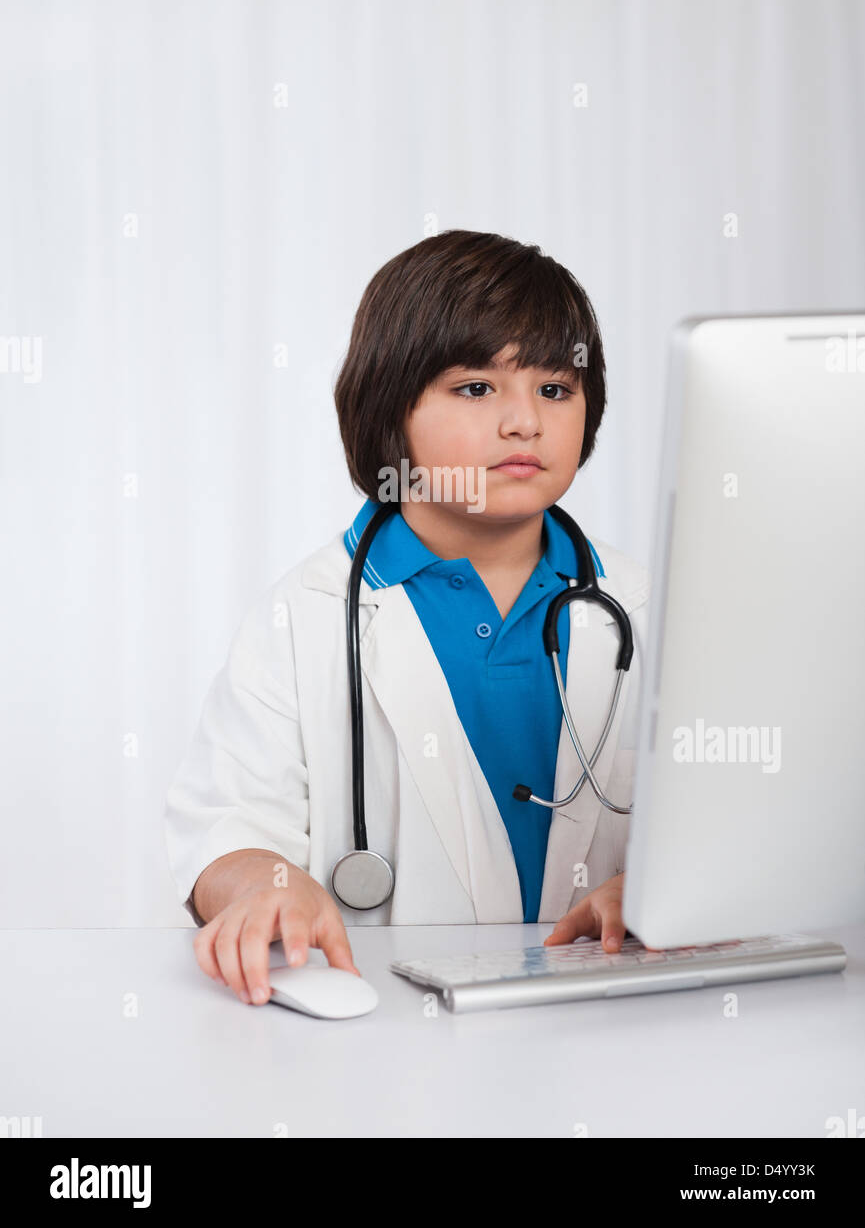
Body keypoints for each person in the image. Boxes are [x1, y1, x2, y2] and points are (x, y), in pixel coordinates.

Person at [163, 229, 649, 1006]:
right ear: (390, 405)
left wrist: (662, 890)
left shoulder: (642, 606)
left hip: (612, 1018)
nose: (525, 421)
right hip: (389, 1033)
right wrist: (261, 888)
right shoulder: (306, 615)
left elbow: (732, 816)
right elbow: (226, 826)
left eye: (555, 389)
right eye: (476, 388)